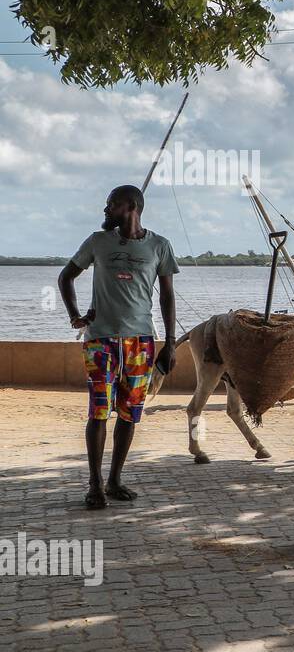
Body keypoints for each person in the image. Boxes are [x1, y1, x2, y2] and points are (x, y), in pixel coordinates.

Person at [58, 185, 179, 510]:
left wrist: (170, 342)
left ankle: (115, 480)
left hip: (141, 341)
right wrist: (76, 317)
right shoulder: (97, 242)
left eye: (110, 205)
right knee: (98, 411)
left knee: (130, 413)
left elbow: (167, 296)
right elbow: (66, 276)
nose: (105, 210)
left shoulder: (159, 246)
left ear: (129, 206)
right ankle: (95, 484)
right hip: (100, 340)